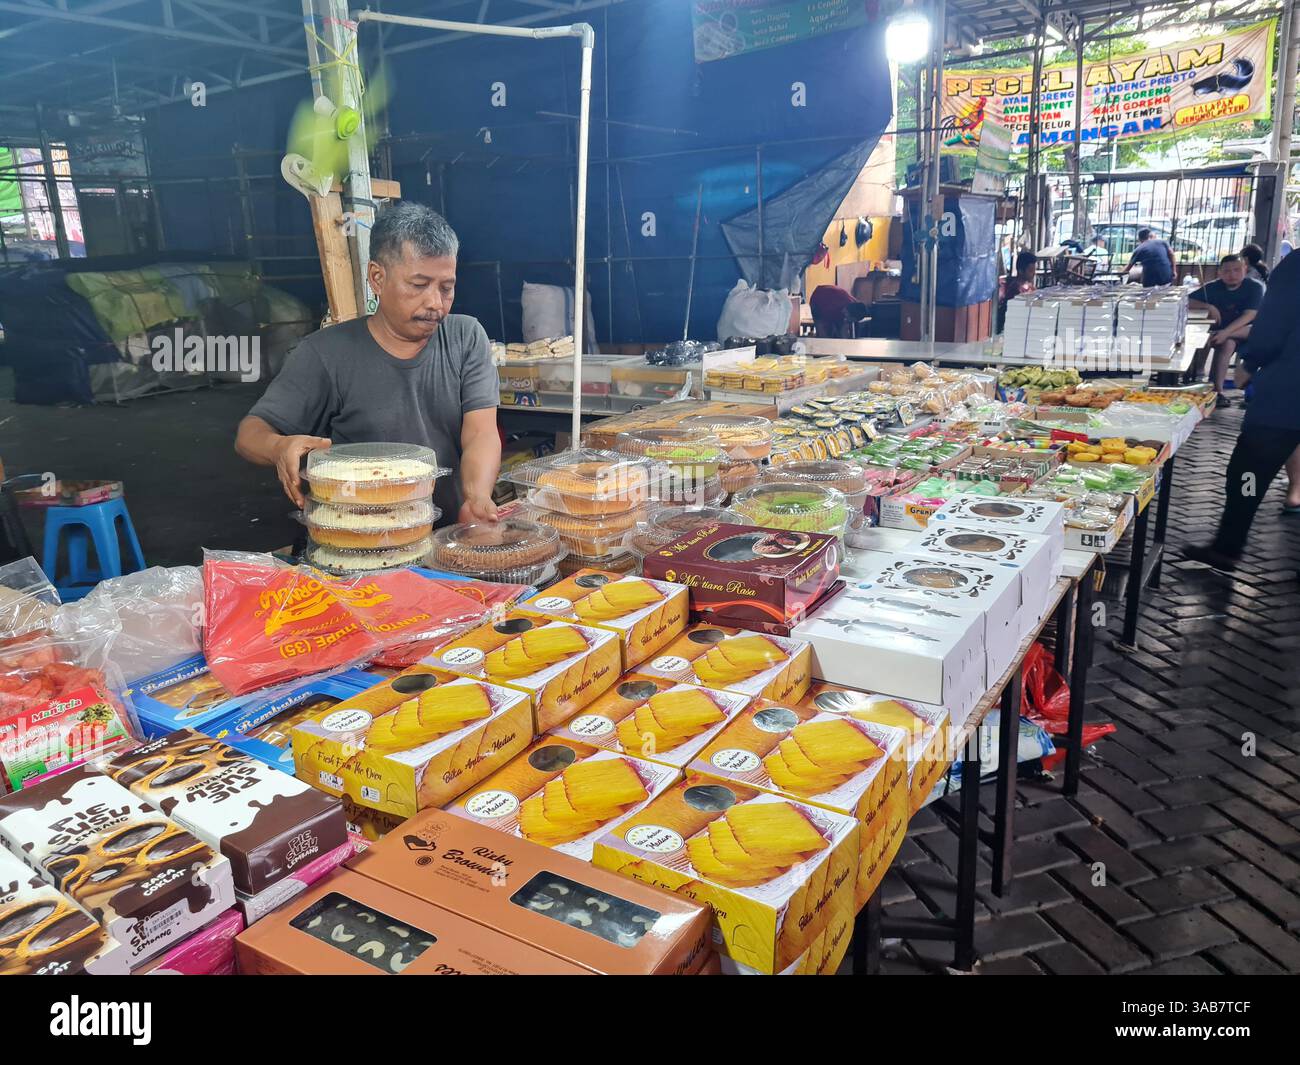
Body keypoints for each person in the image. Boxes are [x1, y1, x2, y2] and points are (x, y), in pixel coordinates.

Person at [236, 202, 502, 525]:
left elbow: (480, 432)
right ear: (377, 277)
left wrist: (477, 497)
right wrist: (279, 447)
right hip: (358, 547)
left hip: (444, 538)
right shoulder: (326, 353)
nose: (435, 303)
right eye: (419, 286)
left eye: (446, 288)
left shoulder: (464, 337)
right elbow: (250, 433)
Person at [1183, 244, 1300, 570]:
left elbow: (1273, 325)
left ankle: (1228, 547)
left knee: (1249, 470)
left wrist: (1250, 363)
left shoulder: (1296, 267)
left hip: (1288, 393)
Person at [1187, 252, 1265, 408]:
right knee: (1227, 344)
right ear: (1220, 273)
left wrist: (1225, 332)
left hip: (1248, 332)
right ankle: (1217, 390)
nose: (1232, 275)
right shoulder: (1213, 288)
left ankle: (1213, 384)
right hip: (1224, 336)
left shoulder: (1255, 287)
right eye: (1227, 271)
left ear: (1245, 269)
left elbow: (1250, 315)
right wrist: (1208, 306)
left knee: (1245, 331)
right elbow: (1187, 300)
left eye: (1237, 270)